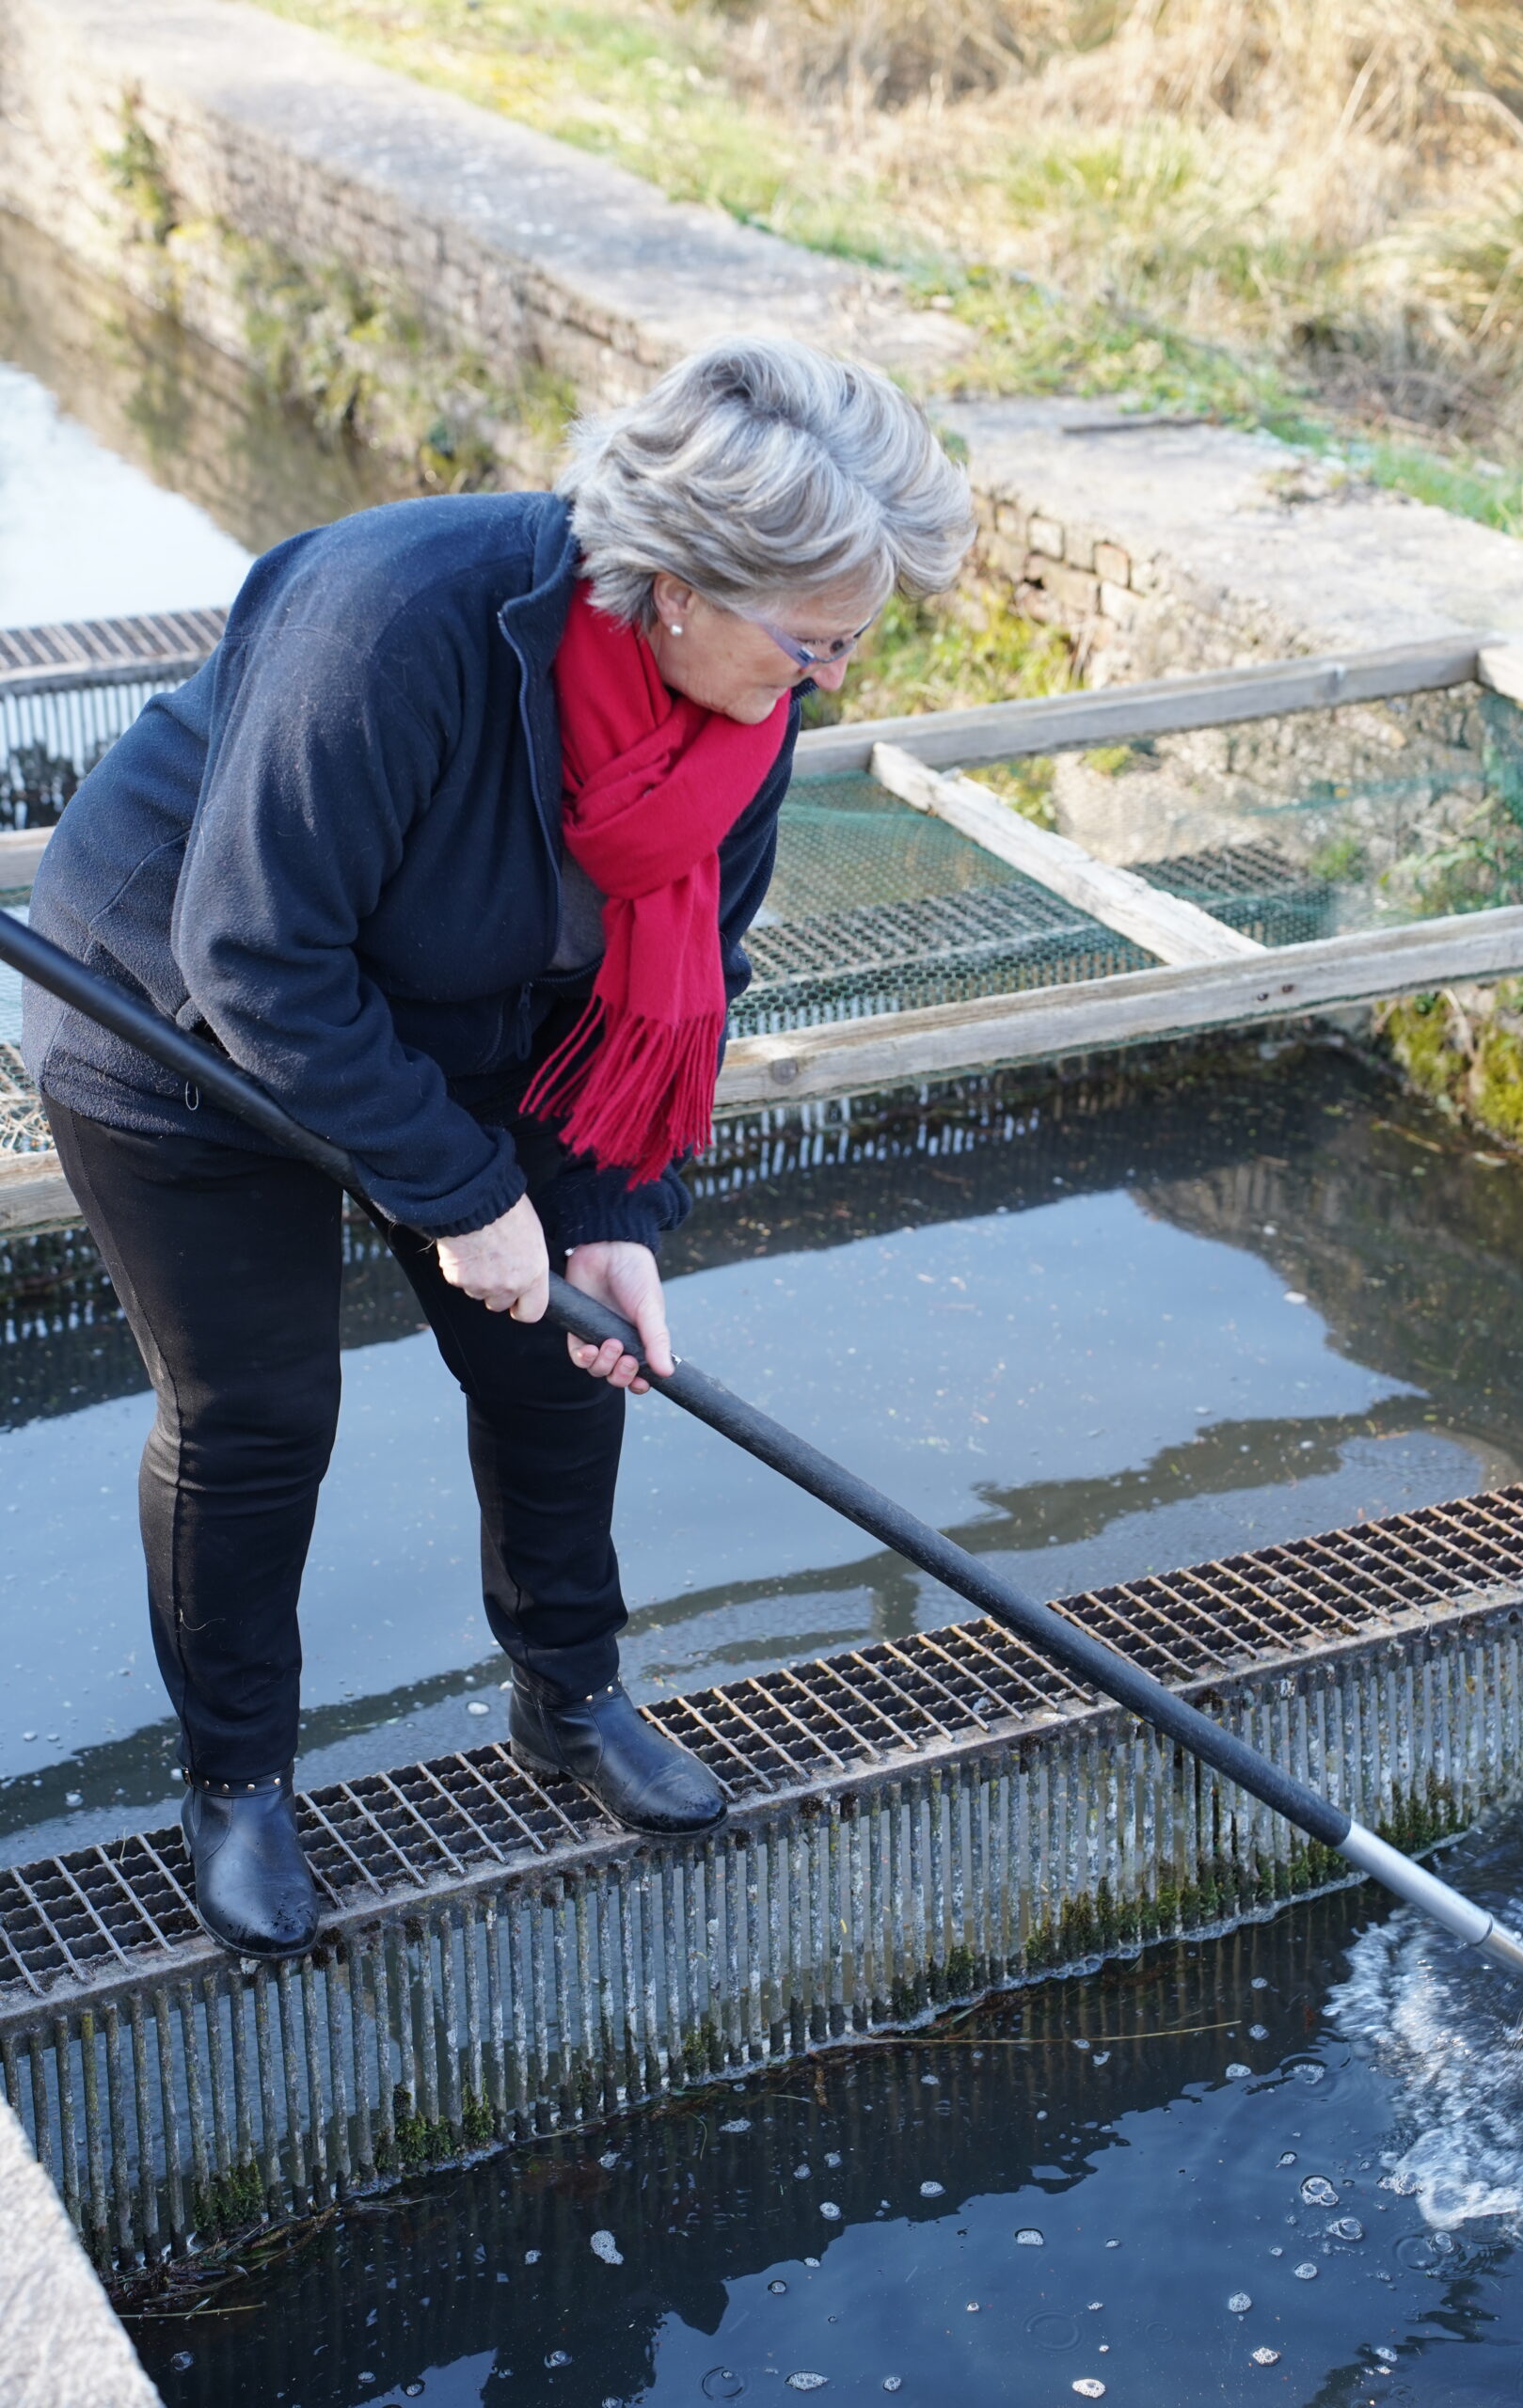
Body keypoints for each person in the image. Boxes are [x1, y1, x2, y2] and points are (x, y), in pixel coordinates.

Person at [22, 337, 974, 1960]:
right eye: (811, 641)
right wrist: (461, 1195)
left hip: (474, 1011)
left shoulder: (733, 721)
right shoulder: (393, 619)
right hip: (182, 1013)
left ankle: (569, 1696)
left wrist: (605, 1214)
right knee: (256, 1412)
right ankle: (239, 1780)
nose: (828, 677)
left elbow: (684, 976)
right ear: (676, 585)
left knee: (559, 1361)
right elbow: (257, 953)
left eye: (852, 641)